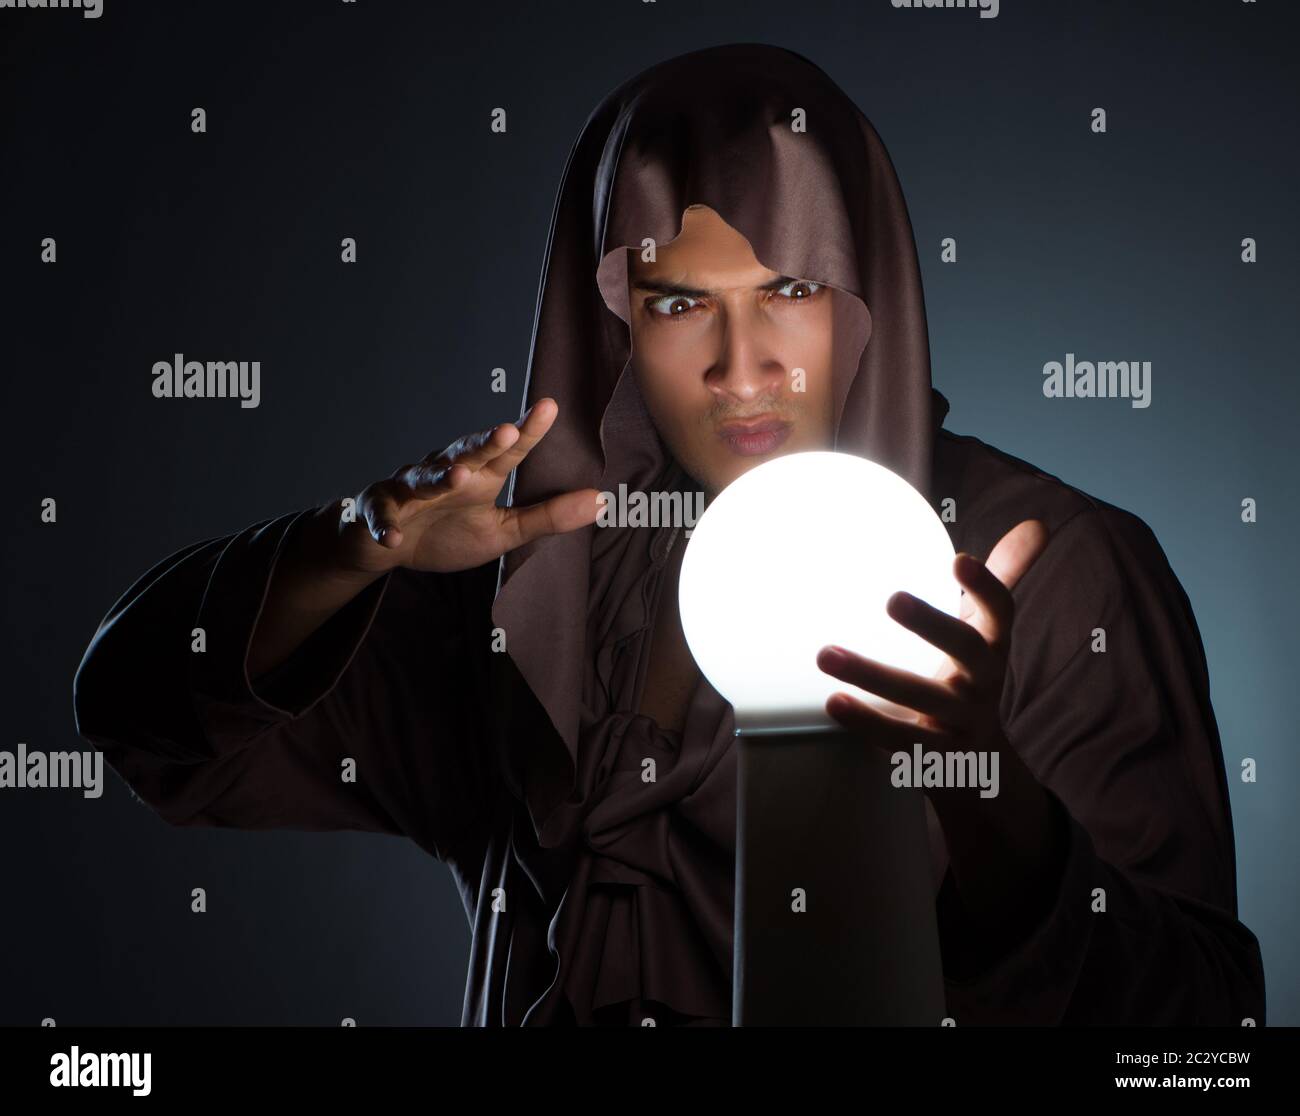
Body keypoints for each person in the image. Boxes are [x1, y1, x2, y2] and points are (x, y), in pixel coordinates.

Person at [72, 43, 1266, 1027]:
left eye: (790, 292)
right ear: (611, 323)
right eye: (680, 303)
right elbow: (146, 728)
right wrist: (355, 544)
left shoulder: (1049, 571)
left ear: (869, 295)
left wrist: (982, 788)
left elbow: (1197, 1035)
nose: (742, 368)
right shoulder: (527, 581)